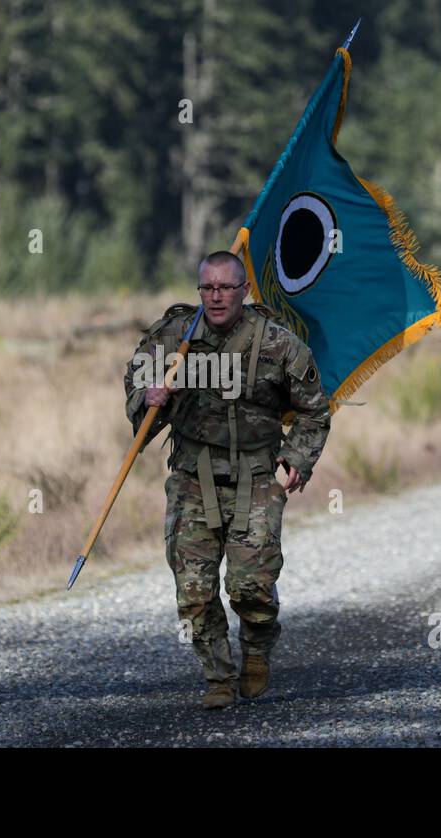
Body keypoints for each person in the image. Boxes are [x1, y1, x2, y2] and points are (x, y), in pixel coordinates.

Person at [124, 251, 331, 708]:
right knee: (193, 589)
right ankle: (218, 676)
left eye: (225, 288)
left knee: (250, 585)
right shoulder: (173, 339)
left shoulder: (278, 344)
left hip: (257, 475)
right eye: (207, 288)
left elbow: (316, 410)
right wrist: (150, 395)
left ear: (243, 291)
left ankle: (257, 649)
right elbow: (136, 401)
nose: (216, 297)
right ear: (199, 290)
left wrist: (298, 457)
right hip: (192, 475)